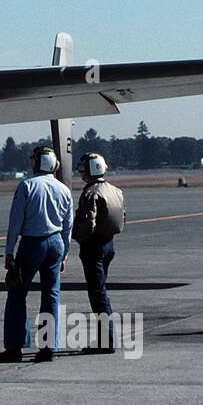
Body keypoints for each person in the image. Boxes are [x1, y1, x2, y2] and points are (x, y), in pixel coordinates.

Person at [0, 145, 73, 363]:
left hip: (32, 244)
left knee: (17, 294)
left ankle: (15, 347)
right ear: (55, 164)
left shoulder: (27, 186)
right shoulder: (63, 189)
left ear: (36, 163)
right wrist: (65, 254)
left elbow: (15, 223)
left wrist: (9, 252)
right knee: (51, 296)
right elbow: (68, 226)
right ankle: (48, 347)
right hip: (56, 243)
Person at [72, 152, 126, 354]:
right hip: (109, 244)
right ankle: (106, 339)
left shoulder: (91, 193)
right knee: (101, 290)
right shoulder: (115, 191)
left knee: (98, 294)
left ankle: (107, 341)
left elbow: (88, 223)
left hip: (93, 246)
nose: (81, 173)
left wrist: (76, 236)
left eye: (83, 169)